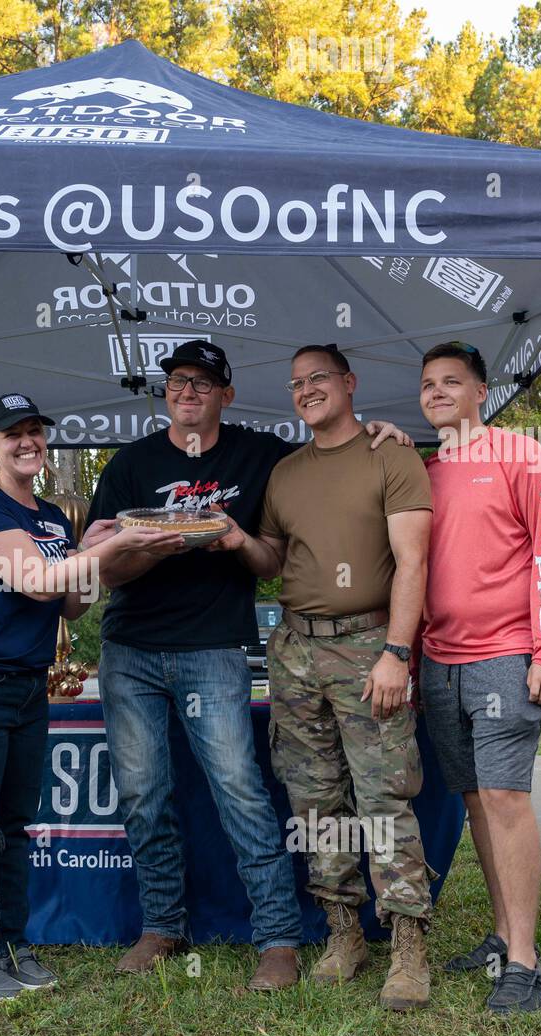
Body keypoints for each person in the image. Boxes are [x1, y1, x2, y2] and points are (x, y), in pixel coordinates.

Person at [84, 339, 414, 991]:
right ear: (165, 392)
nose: (188, 392)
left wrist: (383, 433)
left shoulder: (260, 455)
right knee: (144, 795)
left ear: (225, 396)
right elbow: (101, 567)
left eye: (203, 384)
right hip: (131, 649)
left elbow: (329, 457)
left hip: (213, 649)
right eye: (178, 381)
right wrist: (146, 549)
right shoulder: (130, 463)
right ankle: (162, 926)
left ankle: (278, 937)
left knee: (240, 789)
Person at [0, 392, 175, 1002]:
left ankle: (11, 944)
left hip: (26, 685)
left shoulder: (54, 520)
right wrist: (106, 549)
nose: (27, 441)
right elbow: (34, 583)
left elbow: (71, 605)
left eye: (35, 431)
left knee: (12, 826)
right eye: (13, 433)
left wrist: (100, 551)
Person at [260, 344, 434, 1010]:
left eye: (319, 379)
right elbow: (272, 555)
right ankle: (343, 933)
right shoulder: (285, 474)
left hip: (368, 647)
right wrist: (223, 538)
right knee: (316, 801)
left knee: (384, 797)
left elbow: (411, 562)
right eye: (296, 382)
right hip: (296, 649)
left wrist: (396, 650)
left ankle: (409, 944)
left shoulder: (391, 454)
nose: (306, 390)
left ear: (349, 383)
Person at [416, 342, 541, 1014]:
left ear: (482, 391)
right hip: (437, 661)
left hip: (506, 655)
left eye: (452, 381)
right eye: (427, 385)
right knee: (476, 802)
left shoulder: (521, 456)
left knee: (506, 799)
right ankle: (504, 931)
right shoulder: (422, 470)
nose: (438, 392)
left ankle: (525, 961)